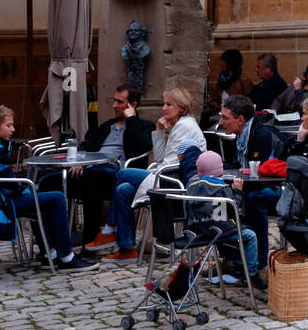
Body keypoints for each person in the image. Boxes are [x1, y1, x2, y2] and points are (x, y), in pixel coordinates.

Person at [0, 106, 93, 271]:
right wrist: (27, 190)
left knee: (40, 199)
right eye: (8, 125)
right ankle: (67, 257)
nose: (13, 129)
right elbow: (9, 185)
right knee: (56, 198)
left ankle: (50, 254)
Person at [86, 89, 205, 262]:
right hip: (166, 175)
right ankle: (127, 249)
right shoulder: (178, 125)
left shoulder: (185, 126)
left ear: (181, 107)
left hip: (174, 182)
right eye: (164, 104)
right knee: (123, 190)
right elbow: (160, 158)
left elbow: (169, 164)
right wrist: (159, 132)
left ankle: (109, 229)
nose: (164, 108)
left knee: (122, 173)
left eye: (169, 104)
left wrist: (150, 172)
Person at [66, 86, 154, 250]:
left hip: (115, 172)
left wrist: (132, 120)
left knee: (92, 182)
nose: (114, 105)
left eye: (119, 102)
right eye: (114, 100)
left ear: (132, 105)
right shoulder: (107, 125)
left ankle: (89, 245)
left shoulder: (144, 126)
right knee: (50, 181)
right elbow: (88, 144)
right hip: (91, 169)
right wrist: (78, 160)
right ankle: (52, 249)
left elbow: (140, 149)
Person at [219, 95, 291, 281]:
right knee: (222, 196)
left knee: (253, 198)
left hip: (278, 188)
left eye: (225, 118)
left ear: (240, 120)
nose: (221, 122)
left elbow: (263, 173)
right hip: (252, 185)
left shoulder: (262, 134)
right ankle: (232, 258)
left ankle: (259, 264)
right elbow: (239, 165)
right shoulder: (240, 135)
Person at [185, 151, 265, 291]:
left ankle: (234, 264)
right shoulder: (221, 187)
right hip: (219, 232)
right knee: (249, 235)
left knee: (230, 227)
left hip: (196, 231)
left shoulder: (190, 184)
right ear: (220, 172)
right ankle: (251, 273)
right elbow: (234, 209)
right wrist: (238, 191)